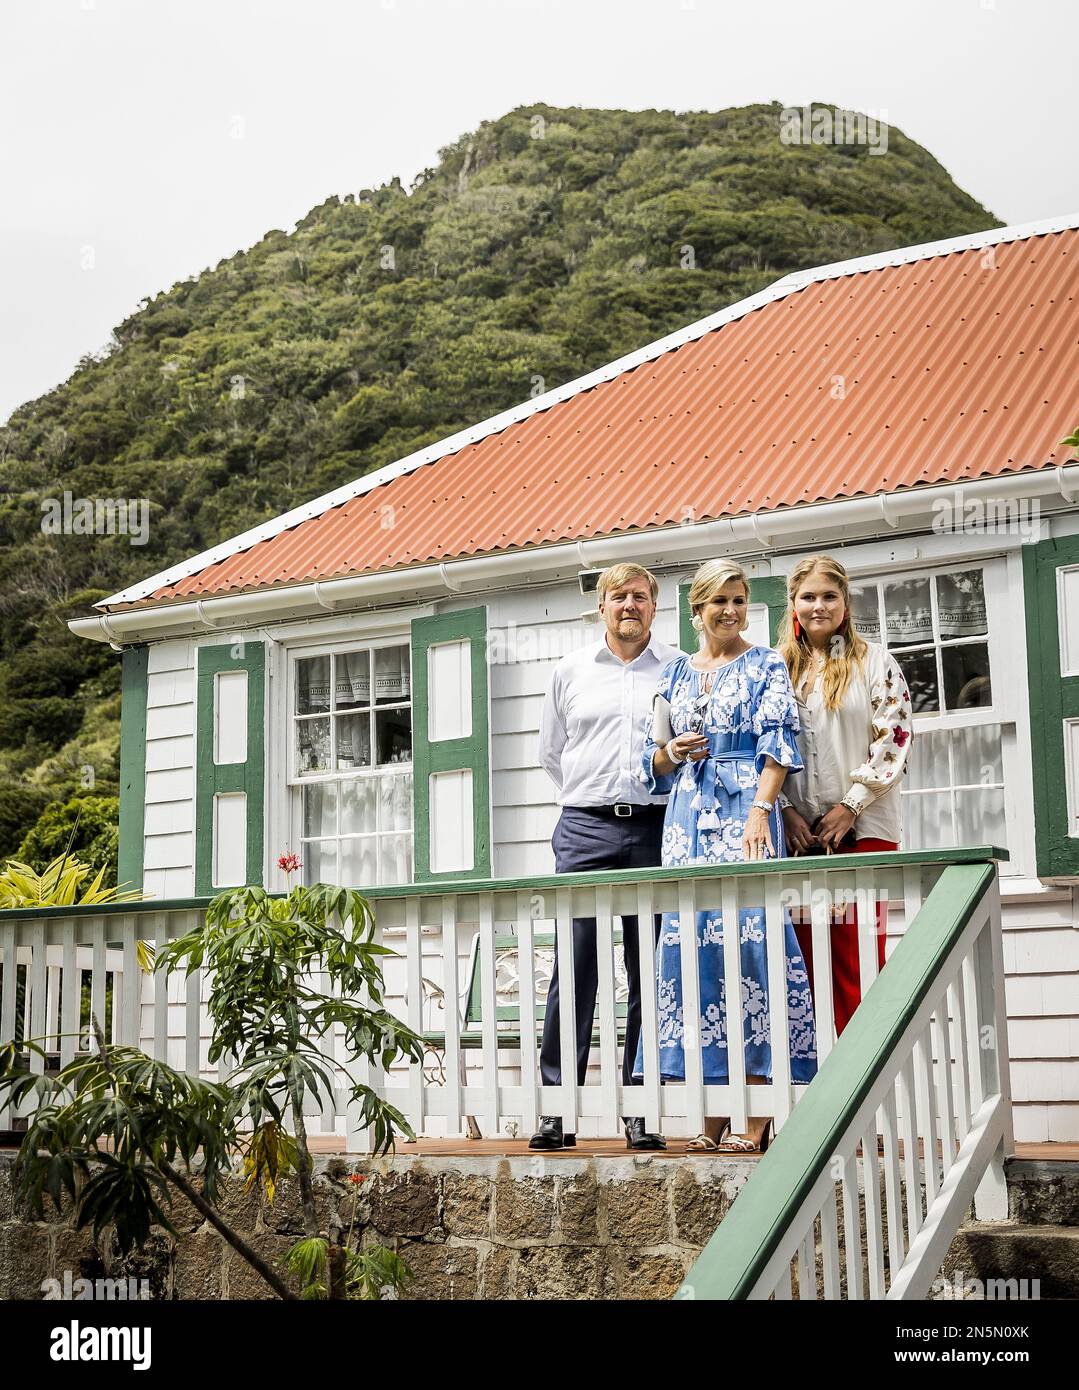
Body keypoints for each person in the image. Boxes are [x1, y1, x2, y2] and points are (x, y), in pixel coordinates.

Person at [635, 560, 816, 1153]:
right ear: (697, 609)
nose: (732, 611)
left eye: (740, 601)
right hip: (687, 819)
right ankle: (712, 1117)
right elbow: (650, 763)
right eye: (720, 602)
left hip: (747, 816)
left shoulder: (765, 664)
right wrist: (672, 752)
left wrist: (762, 811)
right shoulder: (675, 673)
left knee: (753, 946)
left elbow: (780, 745)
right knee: (695, 954)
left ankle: (760, 1115)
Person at [532, 562, 683, 1151]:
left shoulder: (677, 669)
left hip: (653, 827)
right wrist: (593, 796)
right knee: (575, 970)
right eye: (619, 597)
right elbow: (552, 754)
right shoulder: (569, 671)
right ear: (602, 606)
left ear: (654, 606)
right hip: (585, 830)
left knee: (649, 971)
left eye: (641, 597)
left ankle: (642, 1110)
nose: (630, 606)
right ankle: (557, 1111)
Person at [778, 555, 914, 1036]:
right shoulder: (776, 671)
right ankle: (816, 1084)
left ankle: (862, 1085)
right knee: (804, 964)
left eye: (828, 596)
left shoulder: (875, 661)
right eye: (808, 596)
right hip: (797, 841)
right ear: (793, 603)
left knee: (856, 959)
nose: (819, 606)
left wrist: (850, 805)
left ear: (845, 601)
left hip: (862, 831)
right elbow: (762, 749)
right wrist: (787, 811)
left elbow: (893, 738)